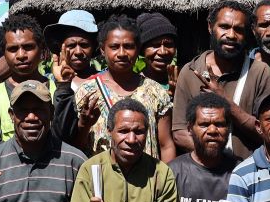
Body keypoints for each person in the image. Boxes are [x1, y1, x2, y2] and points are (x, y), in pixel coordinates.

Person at [67, 100, 179, 202]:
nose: (132, 139)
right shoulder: (91, 170)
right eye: (123, 131)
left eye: (139, 132)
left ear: (147, 133)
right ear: (109, 131)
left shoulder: (160, 173)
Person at [171, 1, 270, 157]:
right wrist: (216, 160)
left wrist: (226, 102)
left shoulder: (260, 73)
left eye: (238, 29)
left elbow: (269, 132)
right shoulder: (191, 71)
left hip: (250, 175)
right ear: (210, 27)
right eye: (224, 27)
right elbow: (179, 133)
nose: (231, 35)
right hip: (204, 175)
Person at [72, 15, 176, 162]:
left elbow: (166, 145)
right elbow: (76, 149)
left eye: (128, 46)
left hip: (147, 181)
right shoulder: (87, 92)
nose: (121, 54)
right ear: (102, 50)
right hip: (102, 180)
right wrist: (84, 125)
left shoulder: (155, 91)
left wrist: (165, 181)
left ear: (138, 49)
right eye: (114, 47)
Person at [0, 13, 49, 147]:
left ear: (42, 49)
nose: (21, 55)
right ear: (3, 53)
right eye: (13, 49)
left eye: (28, 47)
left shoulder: (57, 89)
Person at [44, 9, 99, 89]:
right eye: (71, 45)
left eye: (84, 45)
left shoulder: (107, 82)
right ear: (60, 47)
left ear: (93, 46)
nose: (78, 52)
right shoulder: (47, 84)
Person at [137, 12, 179, 87]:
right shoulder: (133, 85)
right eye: (155, 45)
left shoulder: (184, 82)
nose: (162, 52)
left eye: (168, 45)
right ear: (142, 49)